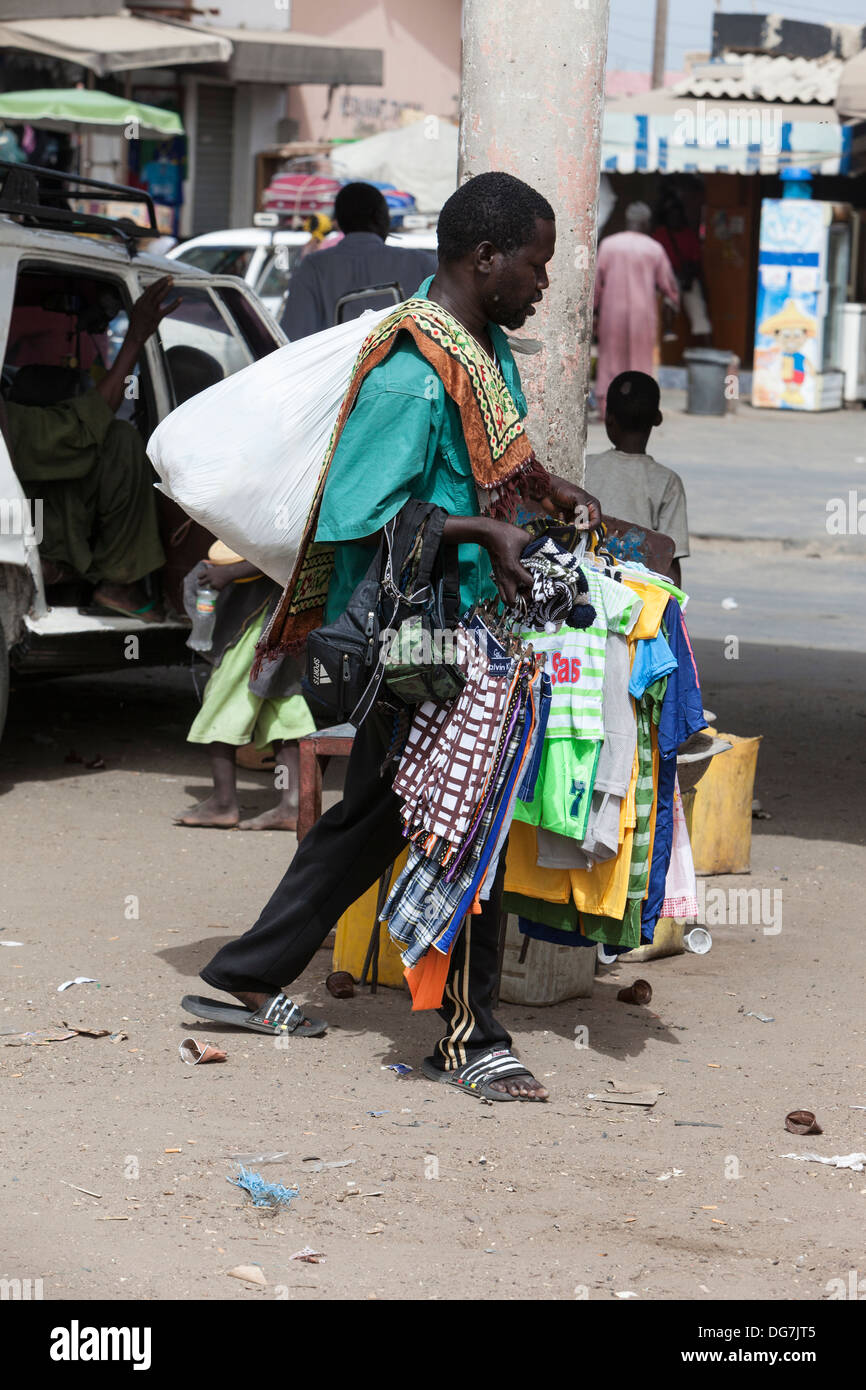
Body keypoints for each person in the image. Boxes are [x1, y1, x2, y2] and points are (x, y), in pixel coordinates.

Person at [185, 170, 602, 1102]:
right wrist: (481, 532)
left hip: (452, 625)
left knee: (377, 818)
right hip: (424, 637)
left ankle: (243, 977)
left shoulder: (478, 346)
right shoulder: (415, 377)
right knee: (467, 824)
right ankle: (470, 1036)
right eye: (536, 265)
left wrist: (546, 490)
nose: (544, 284)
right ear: (485, 258)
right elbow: (361, 513)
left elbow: (495, 457)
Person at [4, 276, 179, 619]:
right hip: (23, 535)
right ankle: (118, 580)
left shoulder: (22, 422)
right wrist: (135, 337)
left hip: (31, 522)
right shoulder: (16, 424)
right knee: (121, 440)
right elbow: (91, 421)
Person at [174, 543, 316, 831]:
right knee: (280, 702)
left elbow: (283, 545)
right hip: (288, 606)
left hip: (259, 613)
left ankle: (223, 803)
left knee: (224, 698)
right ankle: (292, 805)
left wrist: (231, 572)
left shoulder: (278, 502)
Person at [281, 182, 437, 340]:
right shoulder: (421, 264)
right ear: (381, 218)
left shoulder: (313, 267)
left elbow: (293, 336)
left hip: (336, 364)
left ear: (340, 221)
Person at [585, 370, 689, 586]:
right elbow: (670, 557)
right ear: (657, 419)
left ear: (609, 420)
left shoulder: (586, 466)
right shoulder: (667, 482)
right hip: (638, 596)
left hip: (585, 585)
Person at [593, 201, 680, 420]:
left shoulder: (609, 245)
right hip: (643, 315)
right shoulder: (654, 249)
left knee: (610, 359)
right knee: (640, 362)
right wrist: (673, 302)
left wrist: (593, 312)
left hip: (611, 313)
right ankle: (639, 408)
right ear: (646, 222)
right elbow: (669, 285)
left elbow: (595, 284)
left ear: (627, 220)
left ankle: (607, 408)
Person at [653, 189, 712, 346]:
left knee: (699, 312)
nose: (675, 219)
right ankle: (668, 333)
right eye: (672, 216)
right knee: (668, 301)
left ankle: (704, 348)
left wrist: (690, 278)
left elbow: (696, 263)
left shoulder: (689, 236)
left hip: (688, 279)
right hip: (667, 278)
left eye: (677, 215)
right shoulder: (660, 235)